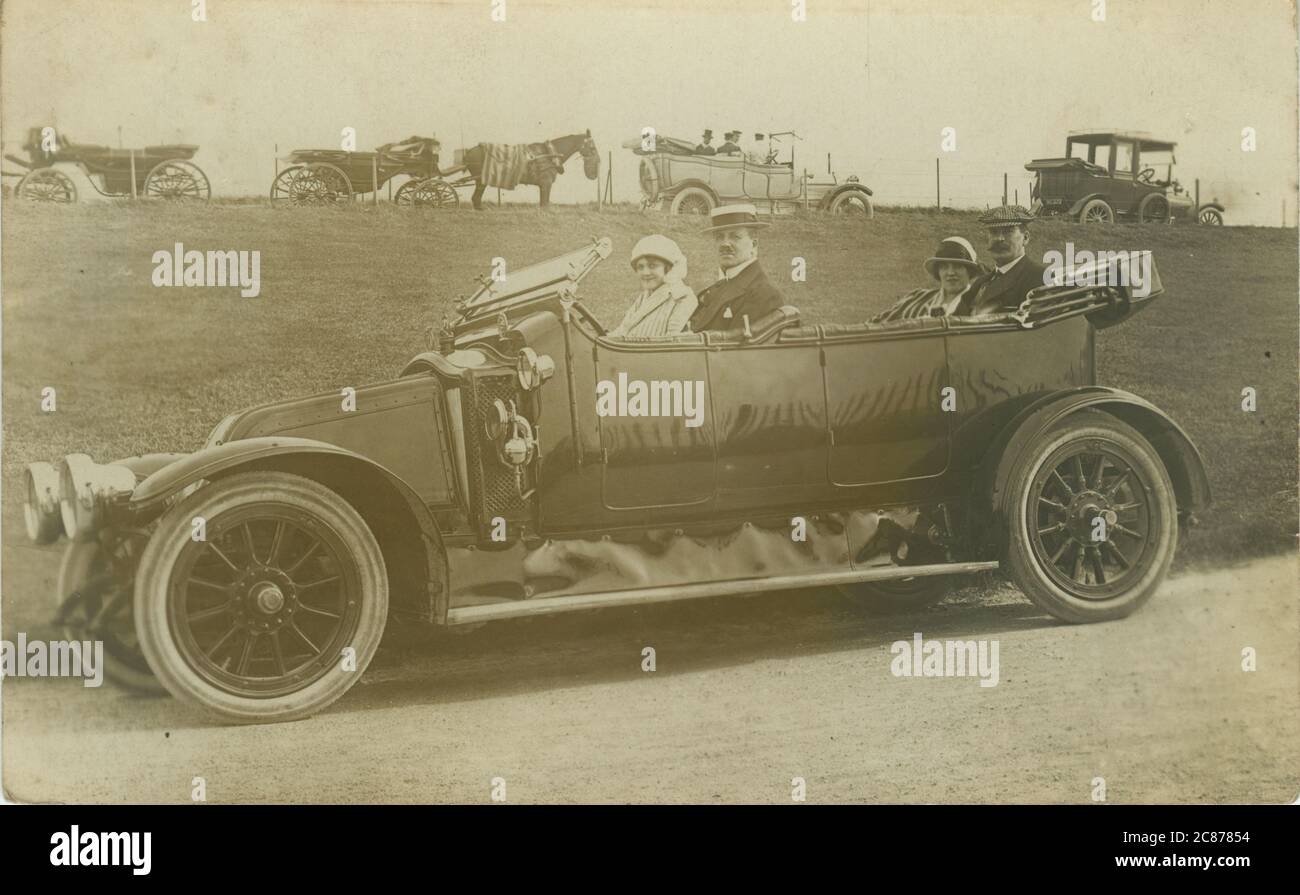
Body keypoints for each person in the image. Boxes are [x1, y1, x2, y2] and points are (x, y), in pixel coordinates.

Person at [688, 204, 787, 332]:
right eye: (719, 237)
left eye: (735, 237)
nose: (725, 243)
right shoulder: (715, 289)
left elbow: (737, 350)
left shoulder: (763, 294)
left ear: (754, 244)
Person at [870, 236, 983, 322]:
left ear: (970, 271)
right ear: (938, 271)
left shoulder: (978, 304)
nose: (950, 273)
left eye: (957, 266)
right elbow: (878, 323)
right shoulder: (917, 298)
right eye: (944, 267)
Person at [607, 236, 697, 338]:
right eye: (640, 267)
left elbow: (672, 343)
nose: (645, 272)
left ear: (668, 268)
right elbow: (623, 330)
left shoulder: (682, 297)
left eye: (652, 266)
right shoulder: (644, 297)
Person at [967, 205, 1047, 315]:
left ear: (1026, 238)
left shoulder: (1041, 278)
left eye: (1008, 231)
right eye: (994, 232)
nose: (999, 239)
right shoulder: (981, 282)